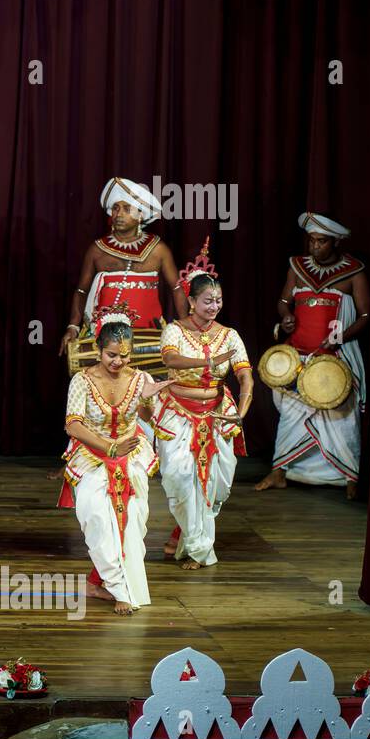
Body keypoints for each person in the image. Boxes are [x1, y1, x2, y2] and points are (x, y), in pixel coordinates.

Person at [49, 176, 186, 480]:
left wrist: (184, 326)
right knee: (94, 401)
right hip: (104, 340)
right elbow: (82, 291)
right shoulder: (97, 250)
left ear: (141, 215)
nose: (119, 214)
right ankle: (78, 461)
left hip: (148, 339)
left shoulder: (158, 250)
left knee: (148, 400)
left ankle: (150, 460)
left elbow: (177, 288)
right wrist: (73, 326)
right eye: (116, 209)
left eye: (126, 208)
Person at [58, 304, 173, 614]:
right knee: (97, 519)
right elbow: (73, 424)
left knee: (131, 523)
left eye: (124, 355)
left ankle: (102, 583)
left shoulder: (140, 378)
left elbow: (147, 416)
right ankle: (120, 590)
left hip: (131, 456)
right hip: (92, 457)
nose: (118, 361)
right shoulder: (82, 380)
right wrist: (108, 449)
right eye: (111, 354)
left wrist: (149, 396)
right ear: (99, 349)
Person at [255, 212, 370, 498]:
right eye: (312, 240)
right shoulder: (297, 266)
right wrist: (286, 316)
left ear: (335, 242)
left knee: (342, 417)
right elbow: (284, 301)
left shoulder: (353, 272)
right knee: (292, 415)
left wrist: (343, 335)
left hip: (335, 358)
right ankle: (280, 471)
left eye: (321, 241)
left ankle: (349, 478)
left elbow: (366, 314)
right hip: (299, 357)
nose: (314, 246)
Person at [152, 241, 253, 567]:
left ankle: (190, 537)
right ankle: (196, 546)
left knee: (214, 484)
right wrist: (209, 364)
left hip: (217, 413)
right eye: (207, 301)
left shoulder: (230, 335)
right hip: (178, 412)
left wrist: (242, 411)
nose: (214, 306)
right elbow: (172, 360)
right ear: (191, 301)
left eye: (218, 300)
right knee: (180, 477)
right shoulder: (174, 330)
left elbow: (245, 378)